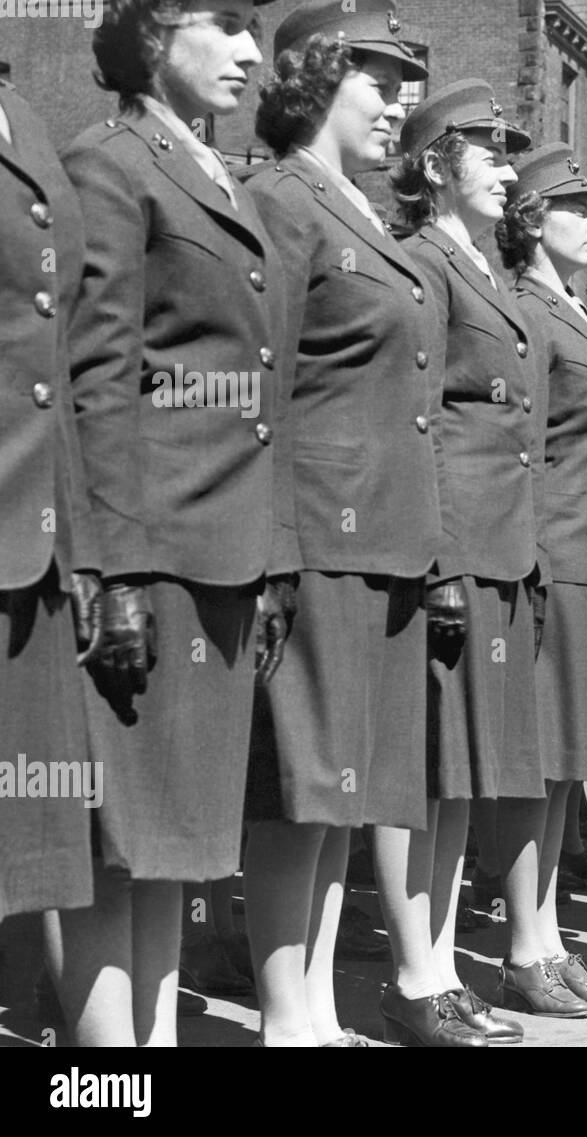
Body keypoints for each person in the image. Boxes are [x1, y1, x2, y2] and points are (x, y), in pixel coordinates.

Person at [52, 0, 291, 1046]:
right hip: (151, 548)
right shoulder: (109, 164)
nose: (252, 52)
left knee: (178, 842)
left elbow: (257, 388)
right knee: (118, 841)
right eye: (225, 22)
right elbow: (98, 381)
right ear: (153, 37)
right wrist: (112, 570)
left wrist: (274, 553)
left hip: (225, 549)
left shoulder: (216, 172)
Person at [239, 0, 441, 1047]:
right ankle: (286, 1021)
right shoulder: (280, 200)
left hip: (383, 541)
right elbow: (257, 385)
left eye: (407, 82)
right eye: (380, 79)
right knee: (301, 792)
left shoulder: (353, 208)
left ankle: (315, 1011)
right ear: (316, 77)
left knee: (343, 799)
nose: (399, 103)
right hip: (317, 533)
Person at [375, 78, 541, 1043]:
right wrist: (435, 551)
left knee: (458, 772)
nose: (511, 169)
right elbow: (421, 416)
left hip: (494, 546)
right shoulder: (423, 262)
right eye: (492, 151)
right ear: (437, 162)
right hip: (450, 545)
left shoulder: (471, 263)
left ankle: (436, 965)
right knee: (421, 769)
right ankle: (411, 974)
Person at [495, 140, 587, 1008]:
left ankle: (545, 936)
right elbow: (524, 452)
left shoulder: (577, 313)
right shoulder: (528, 312)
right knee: (537, 762)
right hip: (551, 558)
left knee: (569, 763)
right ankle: (520, 946)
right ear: (533, 220)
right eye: (577, 208)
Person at [0, 77, 98, 928]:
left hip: (35, 535)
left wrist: (84, 548)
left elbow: (59, 359)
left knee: (36, 844)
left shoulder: (24, 113)